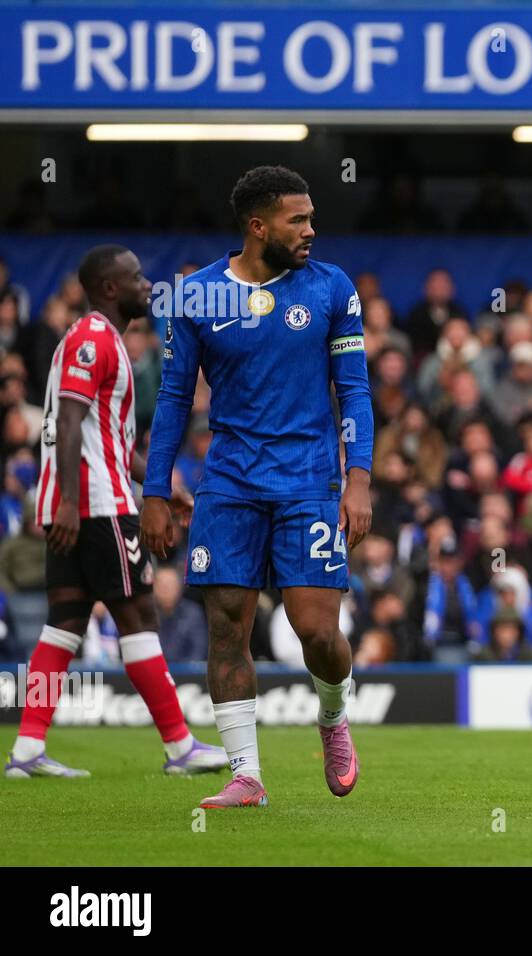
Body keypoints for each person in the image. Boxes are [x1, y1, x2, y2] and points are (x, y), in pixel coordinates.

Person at [140, 167, 374, 809]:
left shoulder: (332, 288)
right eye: (297, 220)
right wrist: (154, 490)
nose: (310, 230)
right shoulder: (198, 296)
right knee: (226, 628)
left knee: (316, 631)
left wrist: (359, 478)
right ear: (257, 225)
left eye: (311, 217)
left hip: (308, 481)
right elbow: (173, 397)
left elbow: (353, 387)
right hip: (230, 482)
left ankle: (332, 718)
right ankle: (247, 776)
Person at [6, 244, 225, 779]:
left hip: (83, 502)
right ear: (109, 287)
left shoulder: (96, 341)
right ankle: (180, 747)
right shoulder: (94, 338)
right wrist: (70, 504)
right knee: (140, 619)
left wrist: (157, 483)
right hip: (97, 506)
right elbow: (72, 419)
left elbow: (105, 436)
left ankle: (28, 748)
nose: (147, 285)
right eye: (136, 277)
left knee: (64, 624)